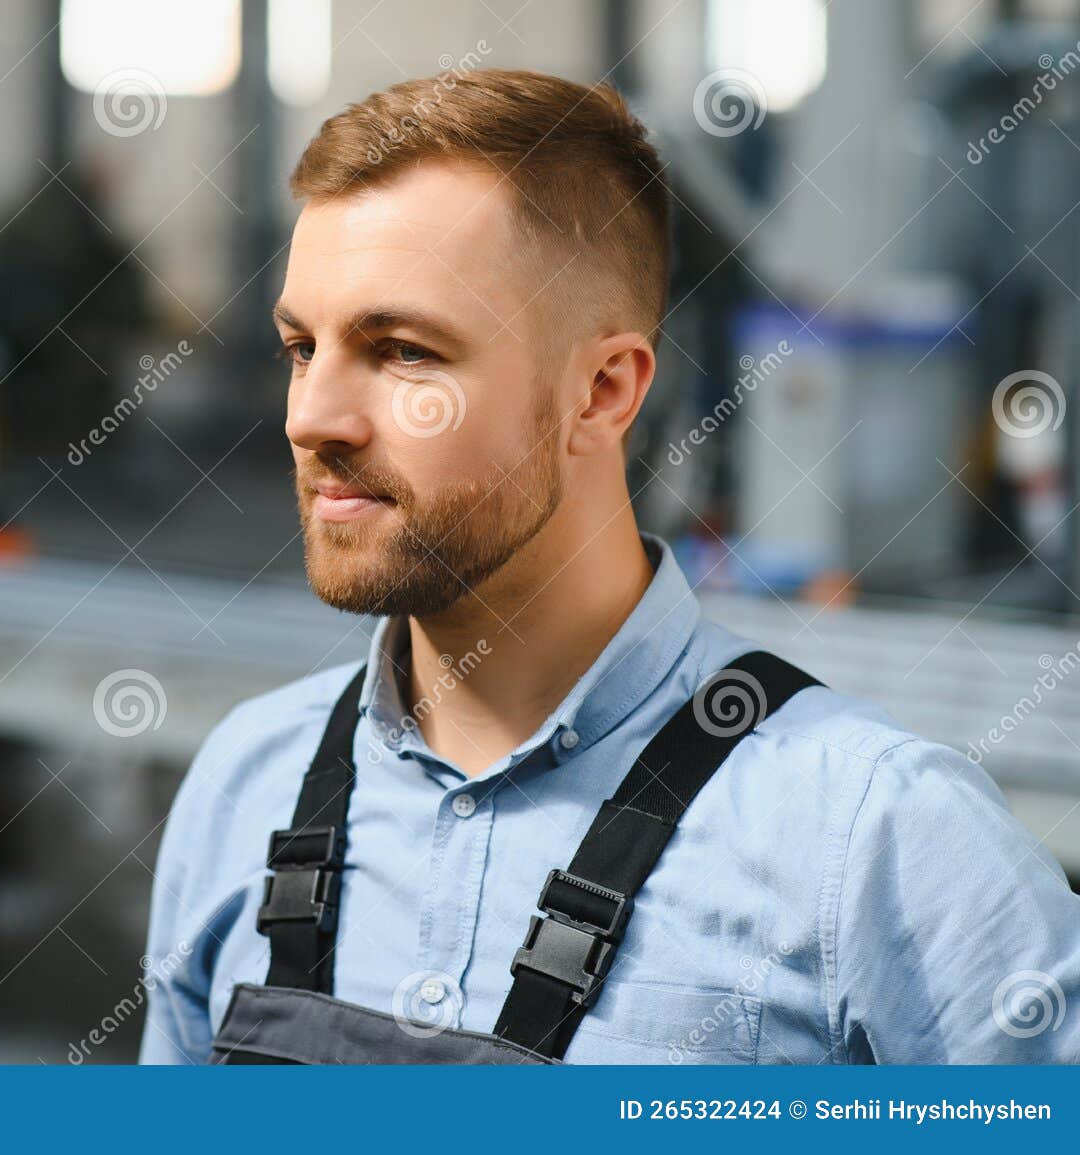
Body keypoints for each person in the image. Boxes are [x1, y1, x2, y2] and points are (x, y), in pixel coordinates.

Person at [139, 69, 1080, 1064]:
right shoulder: (249, 782)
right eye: (300, 346)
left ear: (600, 390)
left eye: (404, 351)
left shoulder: (873, 837)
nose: (310, 417)